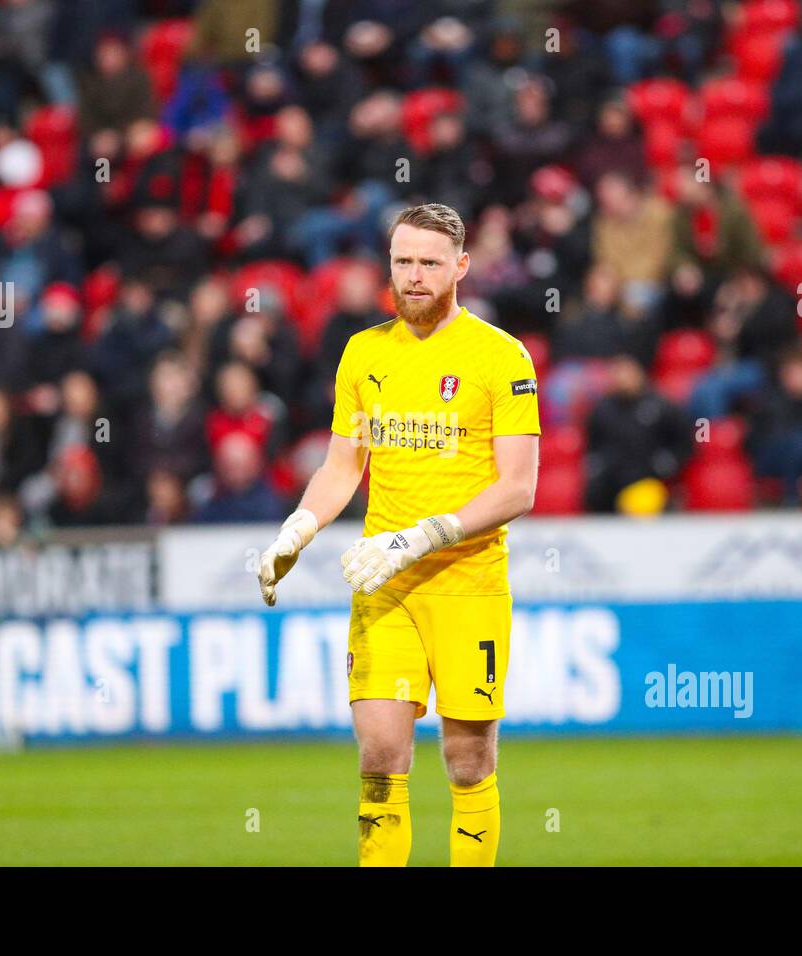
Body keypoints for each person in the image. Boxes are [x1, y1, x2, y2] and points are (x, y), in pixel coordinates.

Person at [256, 203, 540, 867]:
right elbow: (341, 465)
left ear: (461, 267)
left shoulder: (501, 357)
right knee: (381, 755)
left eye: (430, 263)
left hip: (467, 582)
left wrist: (420, 537)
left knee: (467, 762)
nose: (414, 276)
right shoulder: (363, 352)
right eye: (403, 262)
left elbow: (518, 487)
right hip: (385, 585)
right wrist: (297, 527)